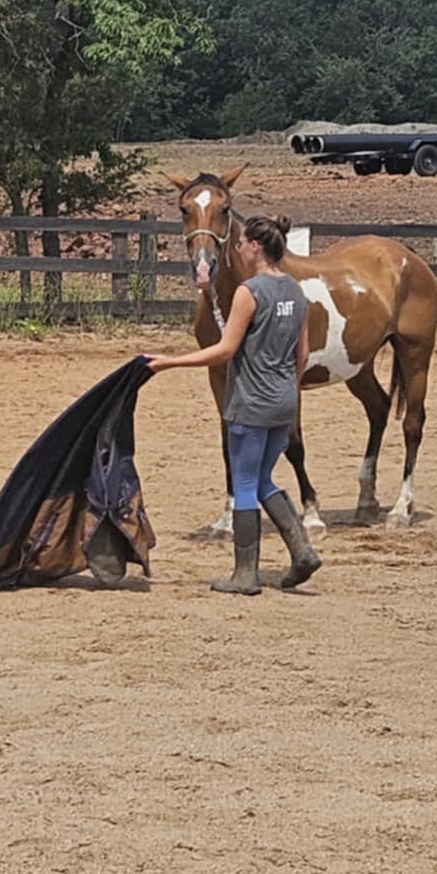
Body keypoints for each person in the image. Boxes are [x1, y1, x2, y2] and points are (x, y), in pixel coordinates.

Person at [147, 215, 321, 595]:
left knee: (244, 484)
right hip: (283, 404)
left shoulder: (249, 291)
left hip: (251, 403)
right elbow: (303, 355)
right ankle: (302, 550)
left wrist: (170, 362)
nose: (236, 249)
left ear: (255, 247)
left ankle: (245, 574)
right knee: (263, 481)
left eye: (240, 244)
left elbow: (226, 349)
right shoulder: (296, 290)